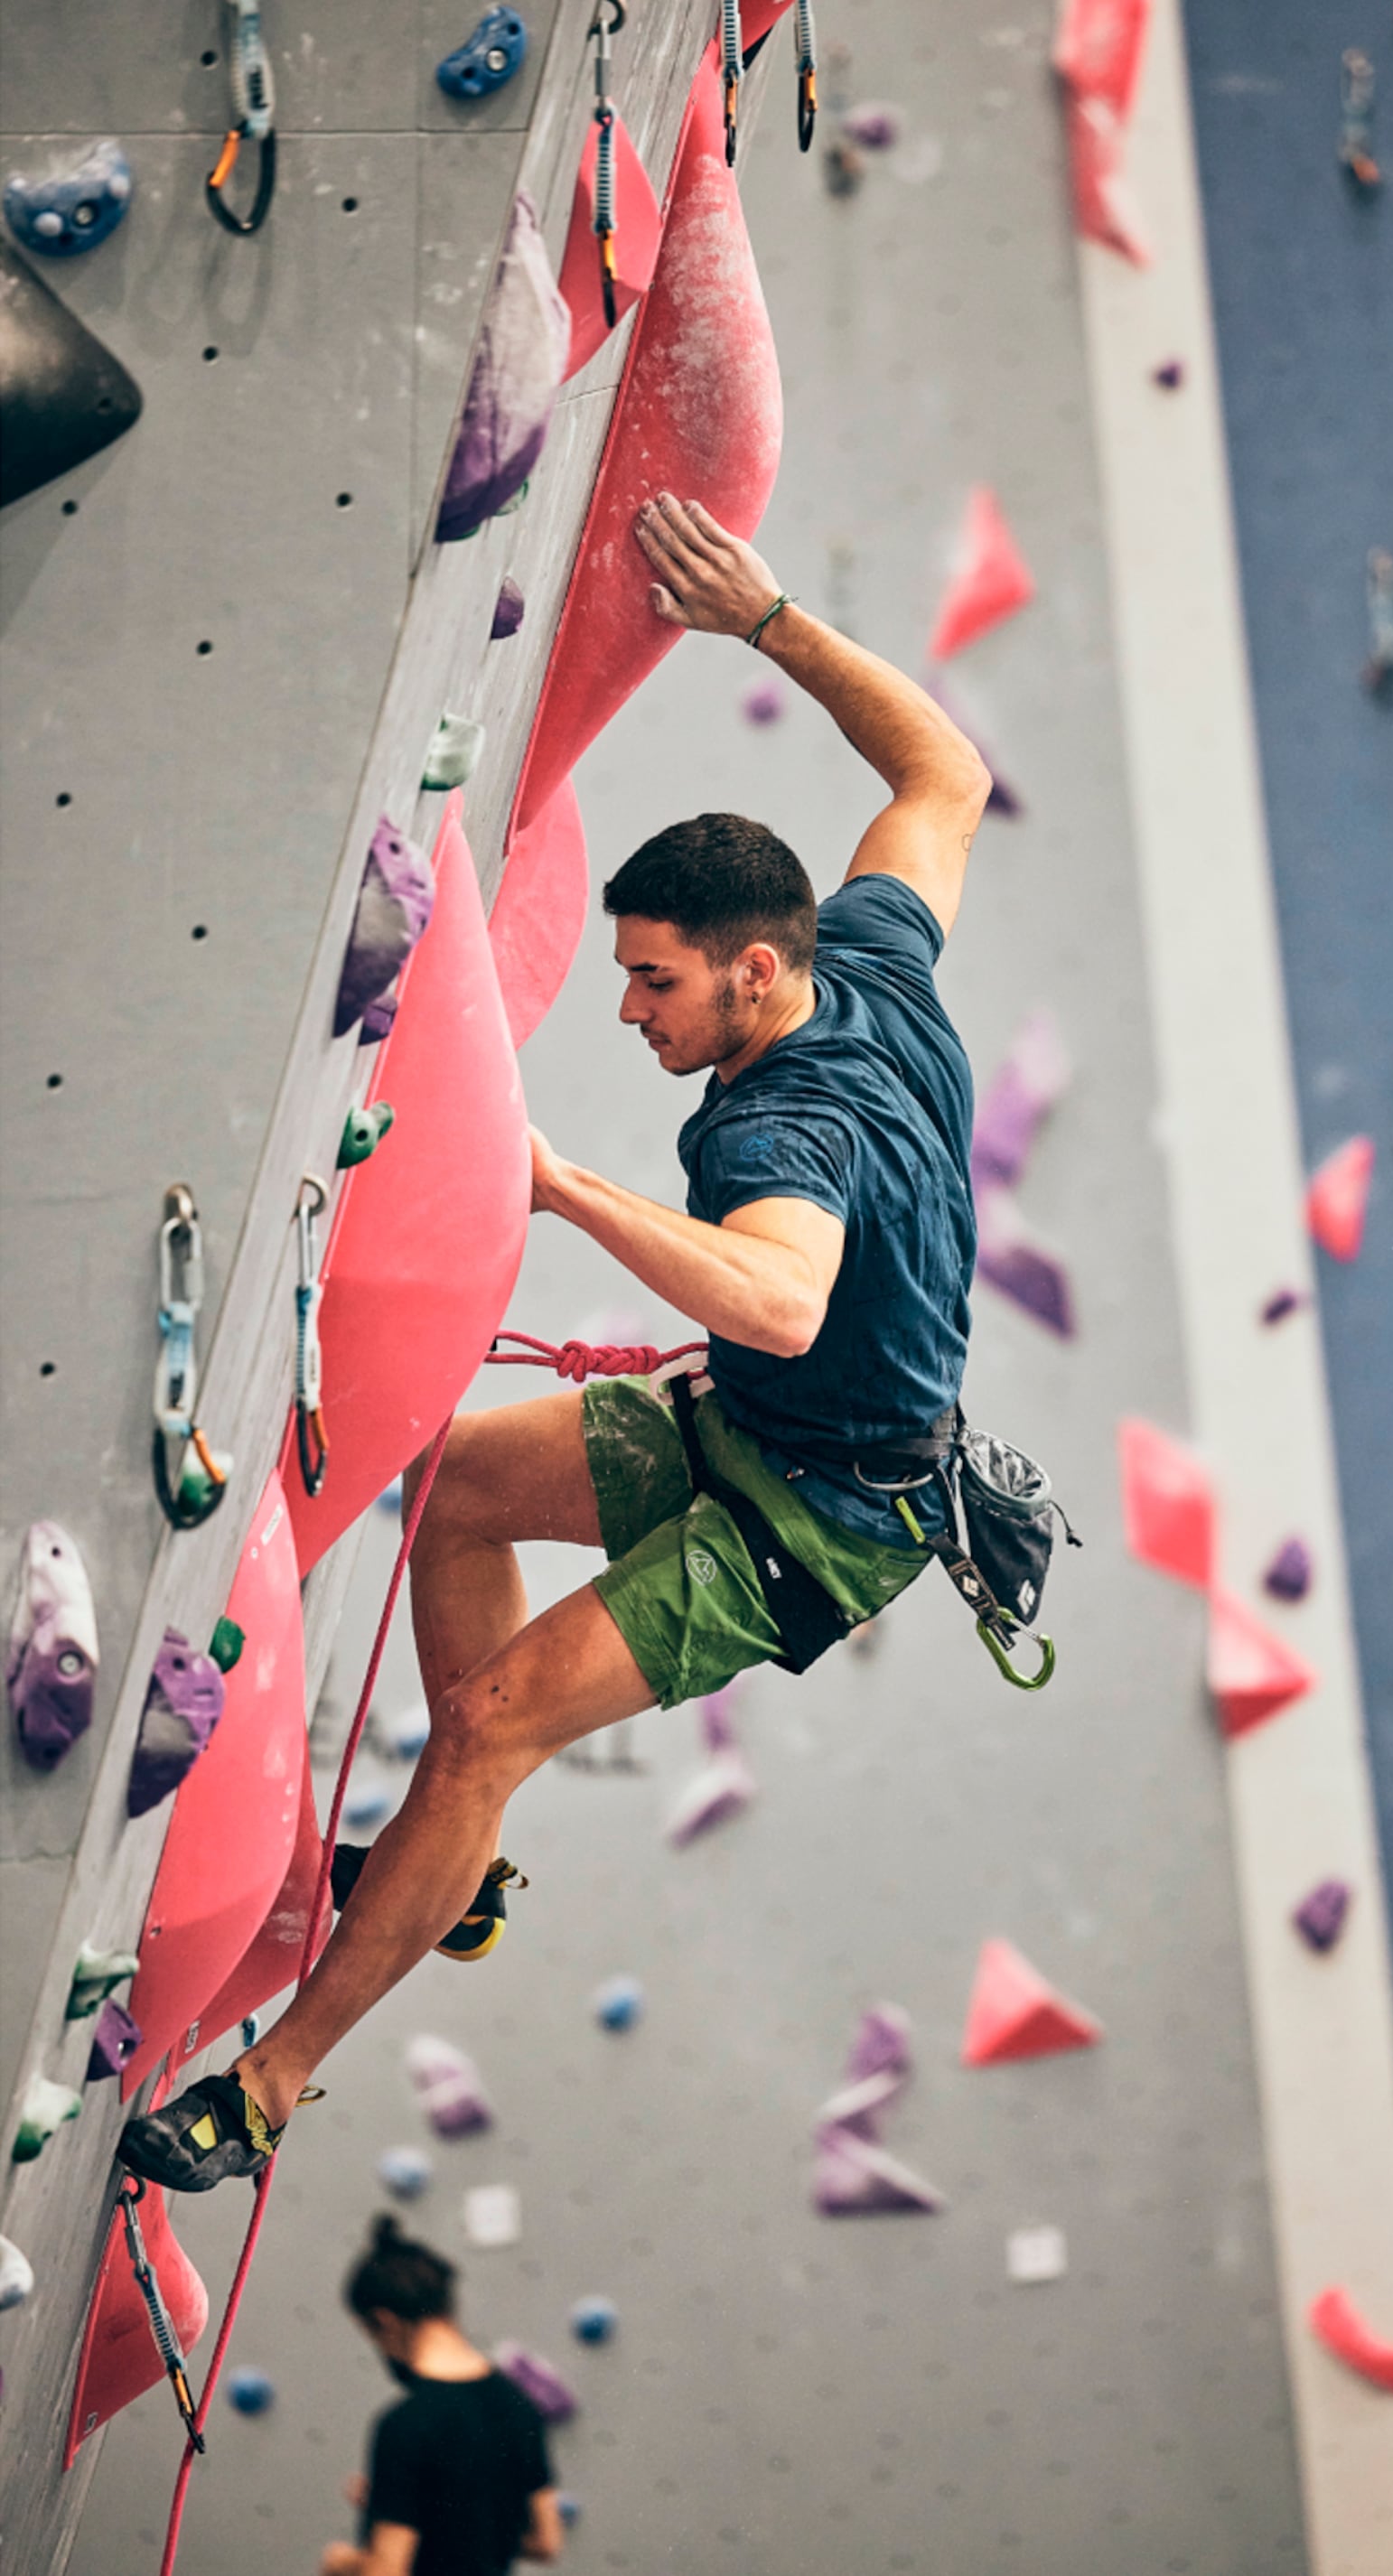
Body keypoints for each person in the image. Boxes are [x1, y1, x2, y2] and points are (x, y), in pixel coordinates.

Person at [122, 492, 991, 2193]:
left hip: (817, 1519)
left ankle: (271, 2082)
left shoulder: (774, 1142)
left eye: (655, 985)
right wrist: (769, 619)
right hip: (776, 1420)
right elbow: (942, 775)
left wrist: (563, 1184)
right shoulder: (870, 952)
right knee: (447, 1488)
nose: (627, 1007)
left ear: (753, 971)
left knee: (489, 1727)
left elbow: (785, 1297)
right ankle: (467, 1857)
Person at [319, 2216, 562, 2576]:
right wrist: (418, 2508)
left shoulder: (406, 2424)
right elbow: (546, 2541)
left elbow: (385, 2572)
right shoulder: (517, 2404)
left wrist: (344, 2564)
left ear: (383, 2322)